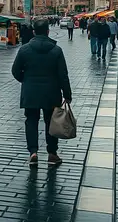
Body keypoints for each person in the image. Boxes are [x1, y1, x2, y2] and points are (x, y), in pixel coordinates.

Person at [11, 19, 73, 167]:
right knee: (51, 122)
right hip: (51, 92)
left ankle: (33, 152)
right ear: (48, 31)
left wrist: (26, 81)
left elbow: (15, 70)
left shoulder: (24, 49)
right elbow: (63, 75)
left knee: (31, 121)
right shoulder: (56, 50)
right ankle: (52, 153)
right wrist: (67, 94)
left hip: (30, 92)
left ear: (33, 32)